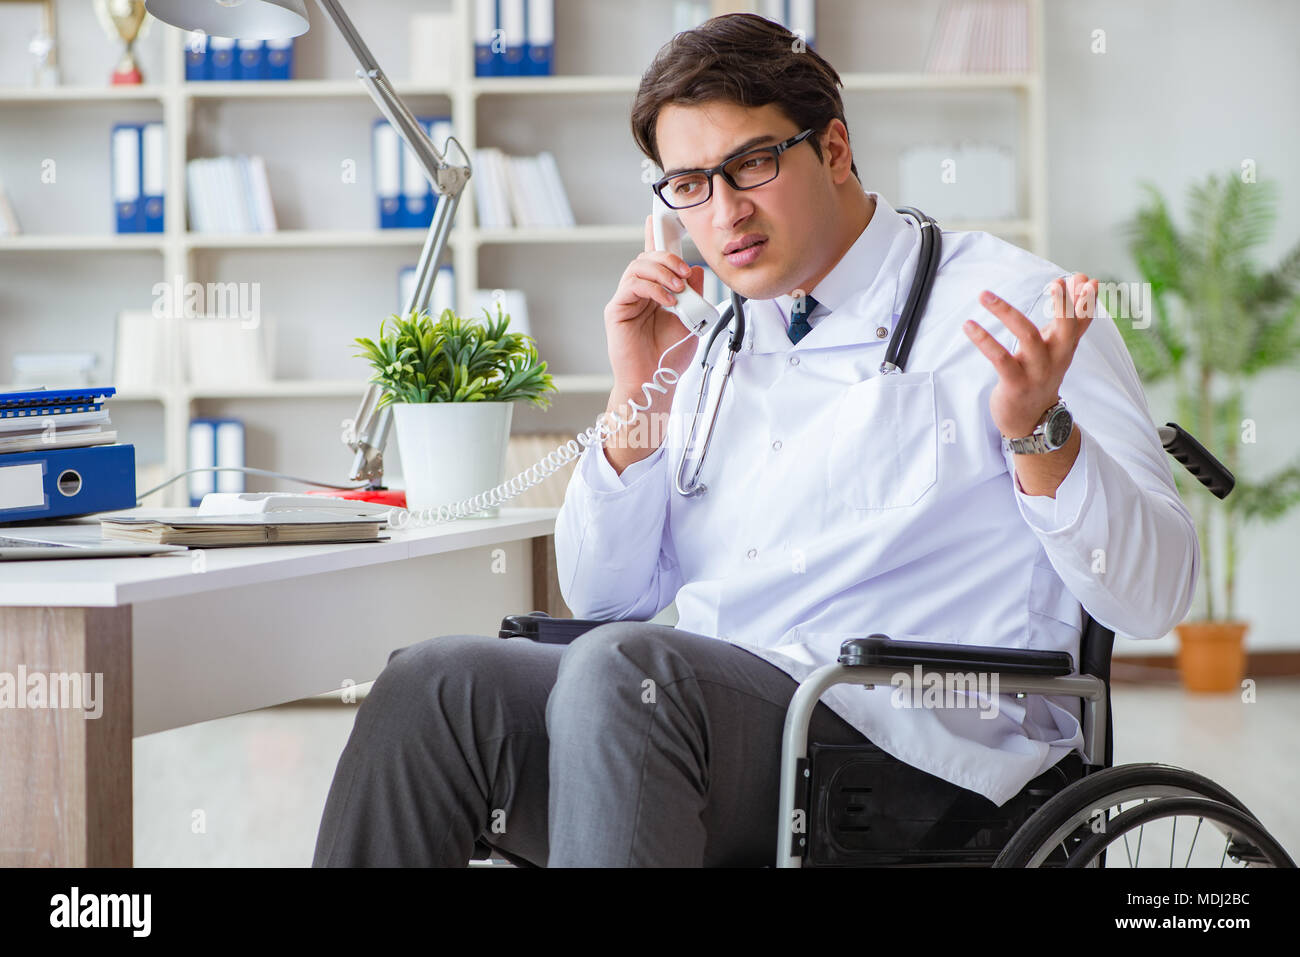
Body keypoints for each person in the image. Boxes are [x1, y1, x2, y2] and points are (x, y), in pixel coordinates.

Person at [312, 13, 1198, 868]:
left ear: (835, 150)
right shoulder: (712, 342)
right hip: (692, 722)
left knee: (627, 674)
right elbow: (605, 595)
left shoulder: (1016, 310)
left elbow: (1157, 593)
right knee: (430, 687)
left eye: (752, 164)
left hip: (917, 749)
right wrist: (638, 404)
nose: (724, 211)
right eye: (689, 184)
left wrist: (1042, 435)